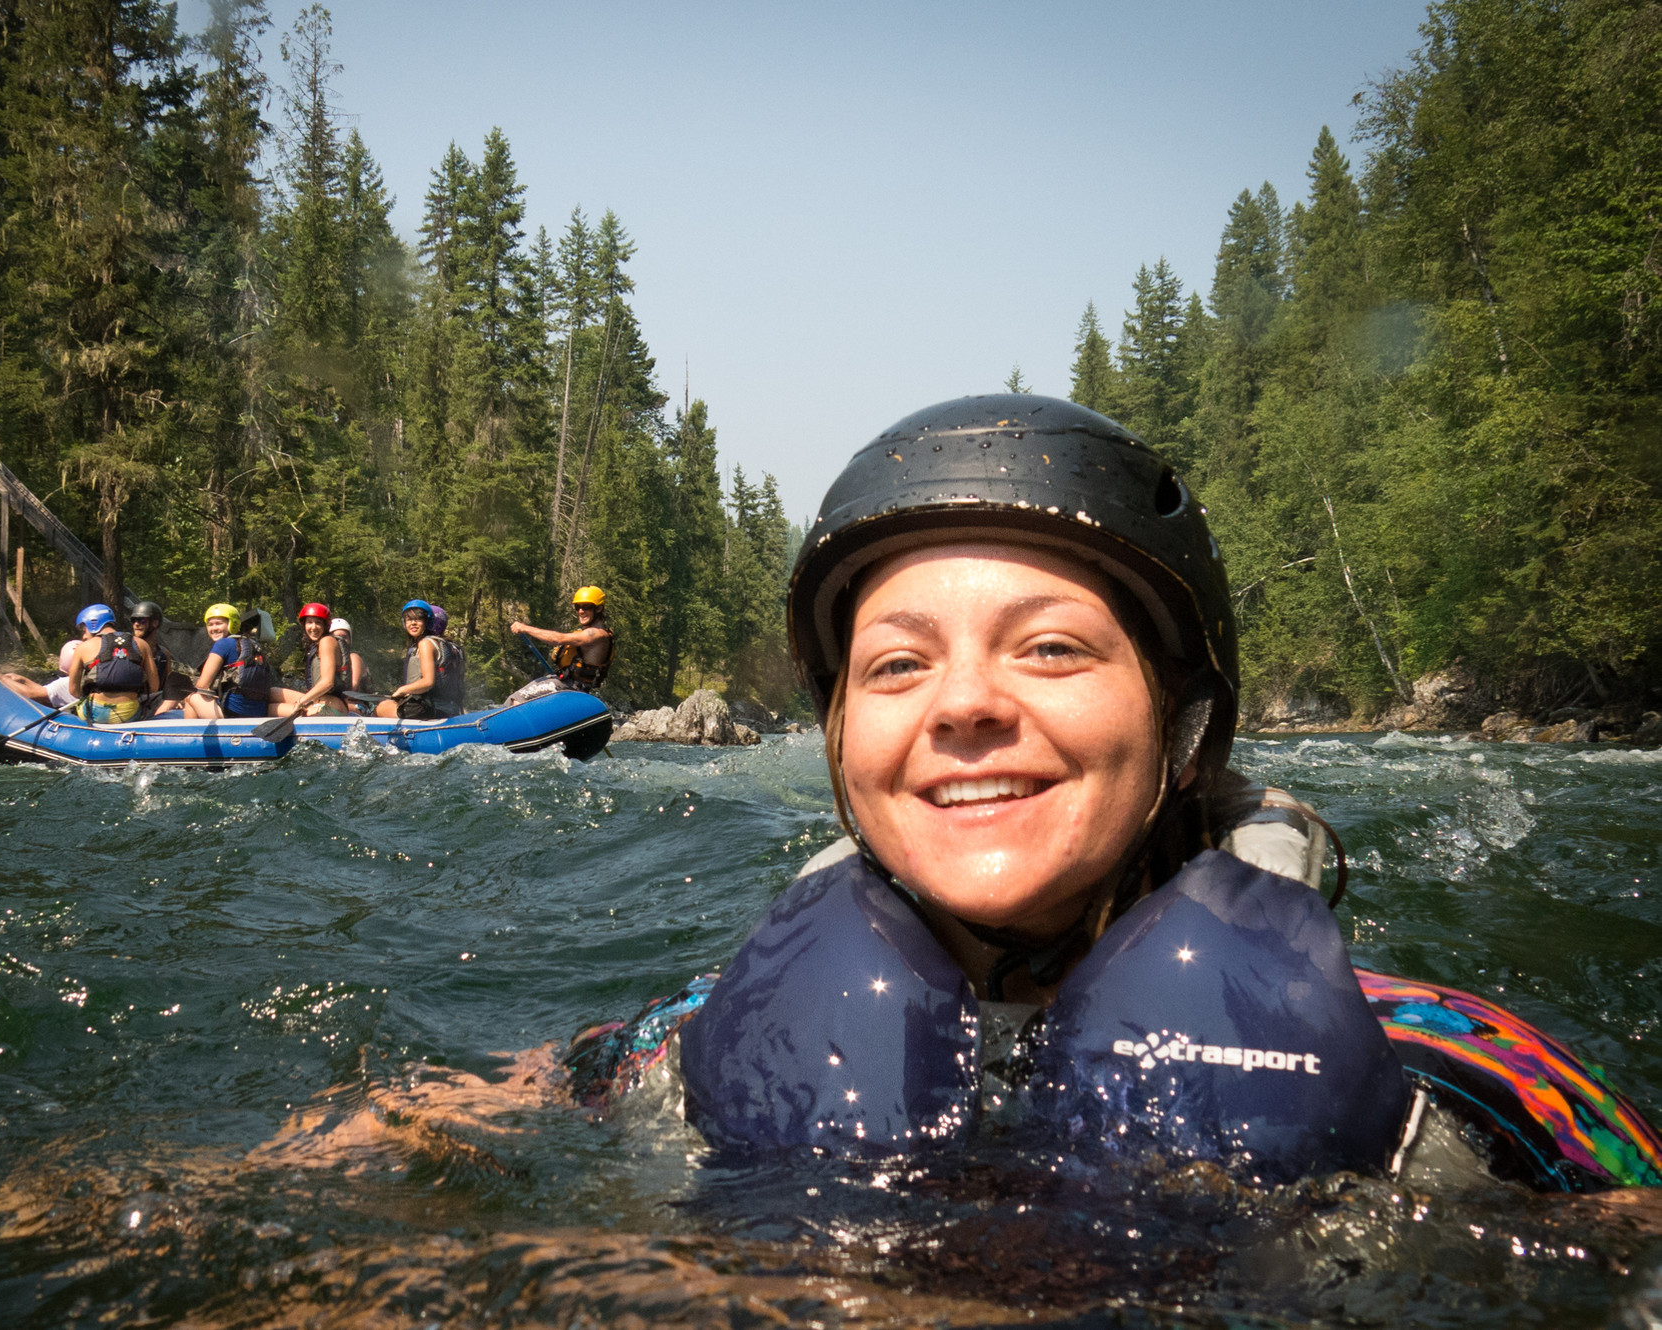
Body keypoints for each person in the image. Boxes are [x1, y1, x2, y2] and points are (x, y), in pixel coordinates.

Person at [569, 395, 1415, 1184]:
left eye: (1050, 648)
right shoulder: (707, 1030)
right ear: (844, 736)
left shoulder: (1402, 1061)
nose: (963, 704)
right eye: (898, 664)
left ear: (1184, 725)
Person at [182, 603, 278, 720]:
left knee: (192, 696)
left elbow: (202, 685)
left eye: (219, 623)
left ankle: (189, 731)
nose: (214, 628)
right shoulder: (252, 643)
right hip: (259, 711)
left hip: (232, 713)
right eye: (210, 624)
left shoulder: (222, 644)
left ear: (232, 623)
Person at [66, 603, 158, 726]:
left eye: (84, 630)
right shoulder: (142, 644)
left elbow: (73, 690)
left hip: (95, 711)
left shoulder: (83, 647)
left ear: (92, 625)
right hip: (128, 712)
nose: (83, 636)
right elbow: (154, 687)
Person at [510, 587, 614, 693]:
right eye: (577, 607)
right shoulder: (593, 632)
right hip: (568, 683)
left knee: (515, 699)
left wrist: (524, 628)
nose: (581, 611)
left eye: (586, 607)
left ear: (598, 609)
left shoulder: (595, 634)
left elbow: (558, 639)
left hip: (572, 687)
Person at [375, 600, 463, 720]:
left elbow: (428, 682)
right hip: (451, 709)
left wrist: (402, 690)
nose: (413, 623)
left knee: (381, 707)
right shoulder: (450, 646)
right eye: (409, 619)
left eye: (418, 619)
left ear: (427, 622)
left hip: (430, 709)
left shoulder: (426, 643)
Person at [275, 603, 352, 717]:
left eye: (318, 623)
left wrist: (301, 702)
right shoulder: (317, 644)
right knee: (272, 692)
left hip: (331, 708)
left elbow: (328, 683)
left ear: (325, 626)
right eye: (309, 622)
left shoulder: (327, 641)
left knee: (271, 708)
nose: (313, 627)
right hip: (320, 701)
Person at [0, 636, 82, 709]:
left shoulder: (69, 683)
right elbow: (45, 690)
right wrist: (22, 680)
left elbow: (31, 694)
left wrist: (1, 678)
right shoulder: (84, 680)